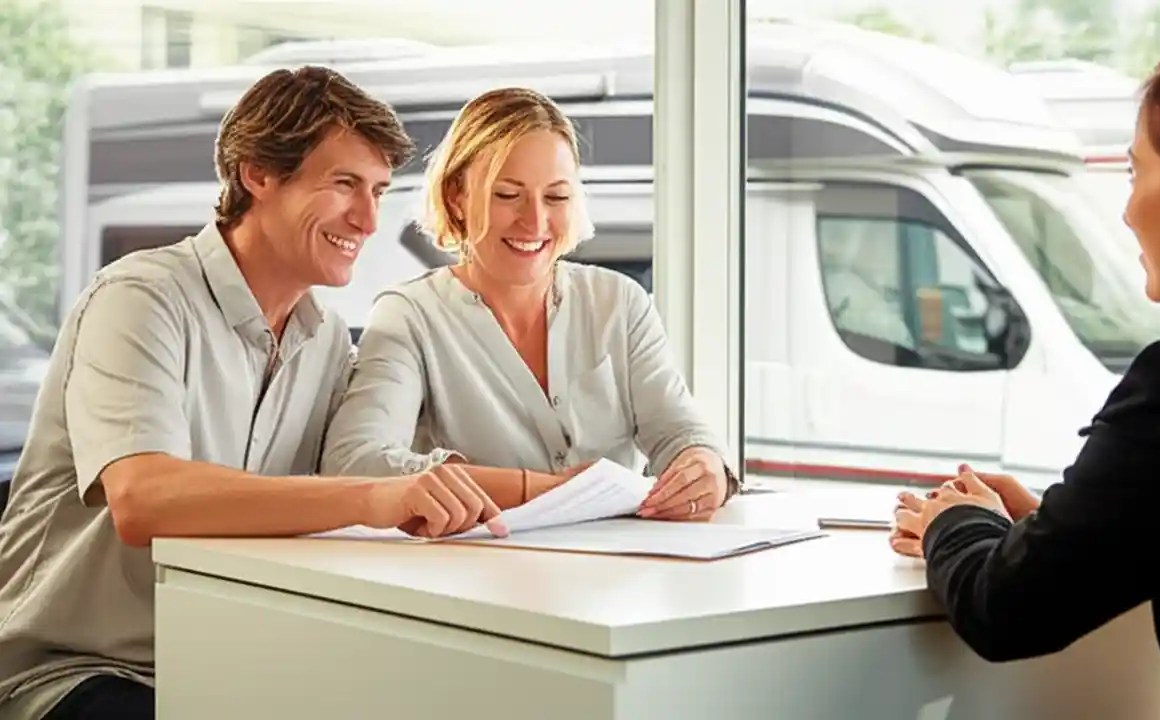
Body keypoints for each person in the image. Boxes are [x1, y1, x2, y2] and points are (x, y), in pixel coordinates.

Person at [0, 66, 526, 720]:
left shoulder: (327, 340)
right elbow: (143, 498)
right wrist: (376, 499)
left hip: (226, 657)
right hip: (79, 672)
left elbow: (371, 466)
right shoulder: (141, 299)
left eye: (378, 191)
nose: (367, 220)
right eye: (343, 185)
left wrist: (579, 487)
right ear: (257, 174)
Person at [889, 29, 1160, 717]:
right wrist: (1062, 524)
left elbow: (1004, 611)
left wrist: (960, 520)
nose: (1127, 211)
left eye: (1136, 173)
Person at [321, 87, 739, 519]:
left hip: (613, 575)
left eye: (556, 197)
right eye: (507, 195)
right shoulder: (410, 316)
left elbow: (680, 430)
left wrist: (704, 465)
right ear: (456, 197)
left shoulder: (619, 303)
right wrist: (535, 489)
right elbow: (355, 463)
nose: (535, 221)